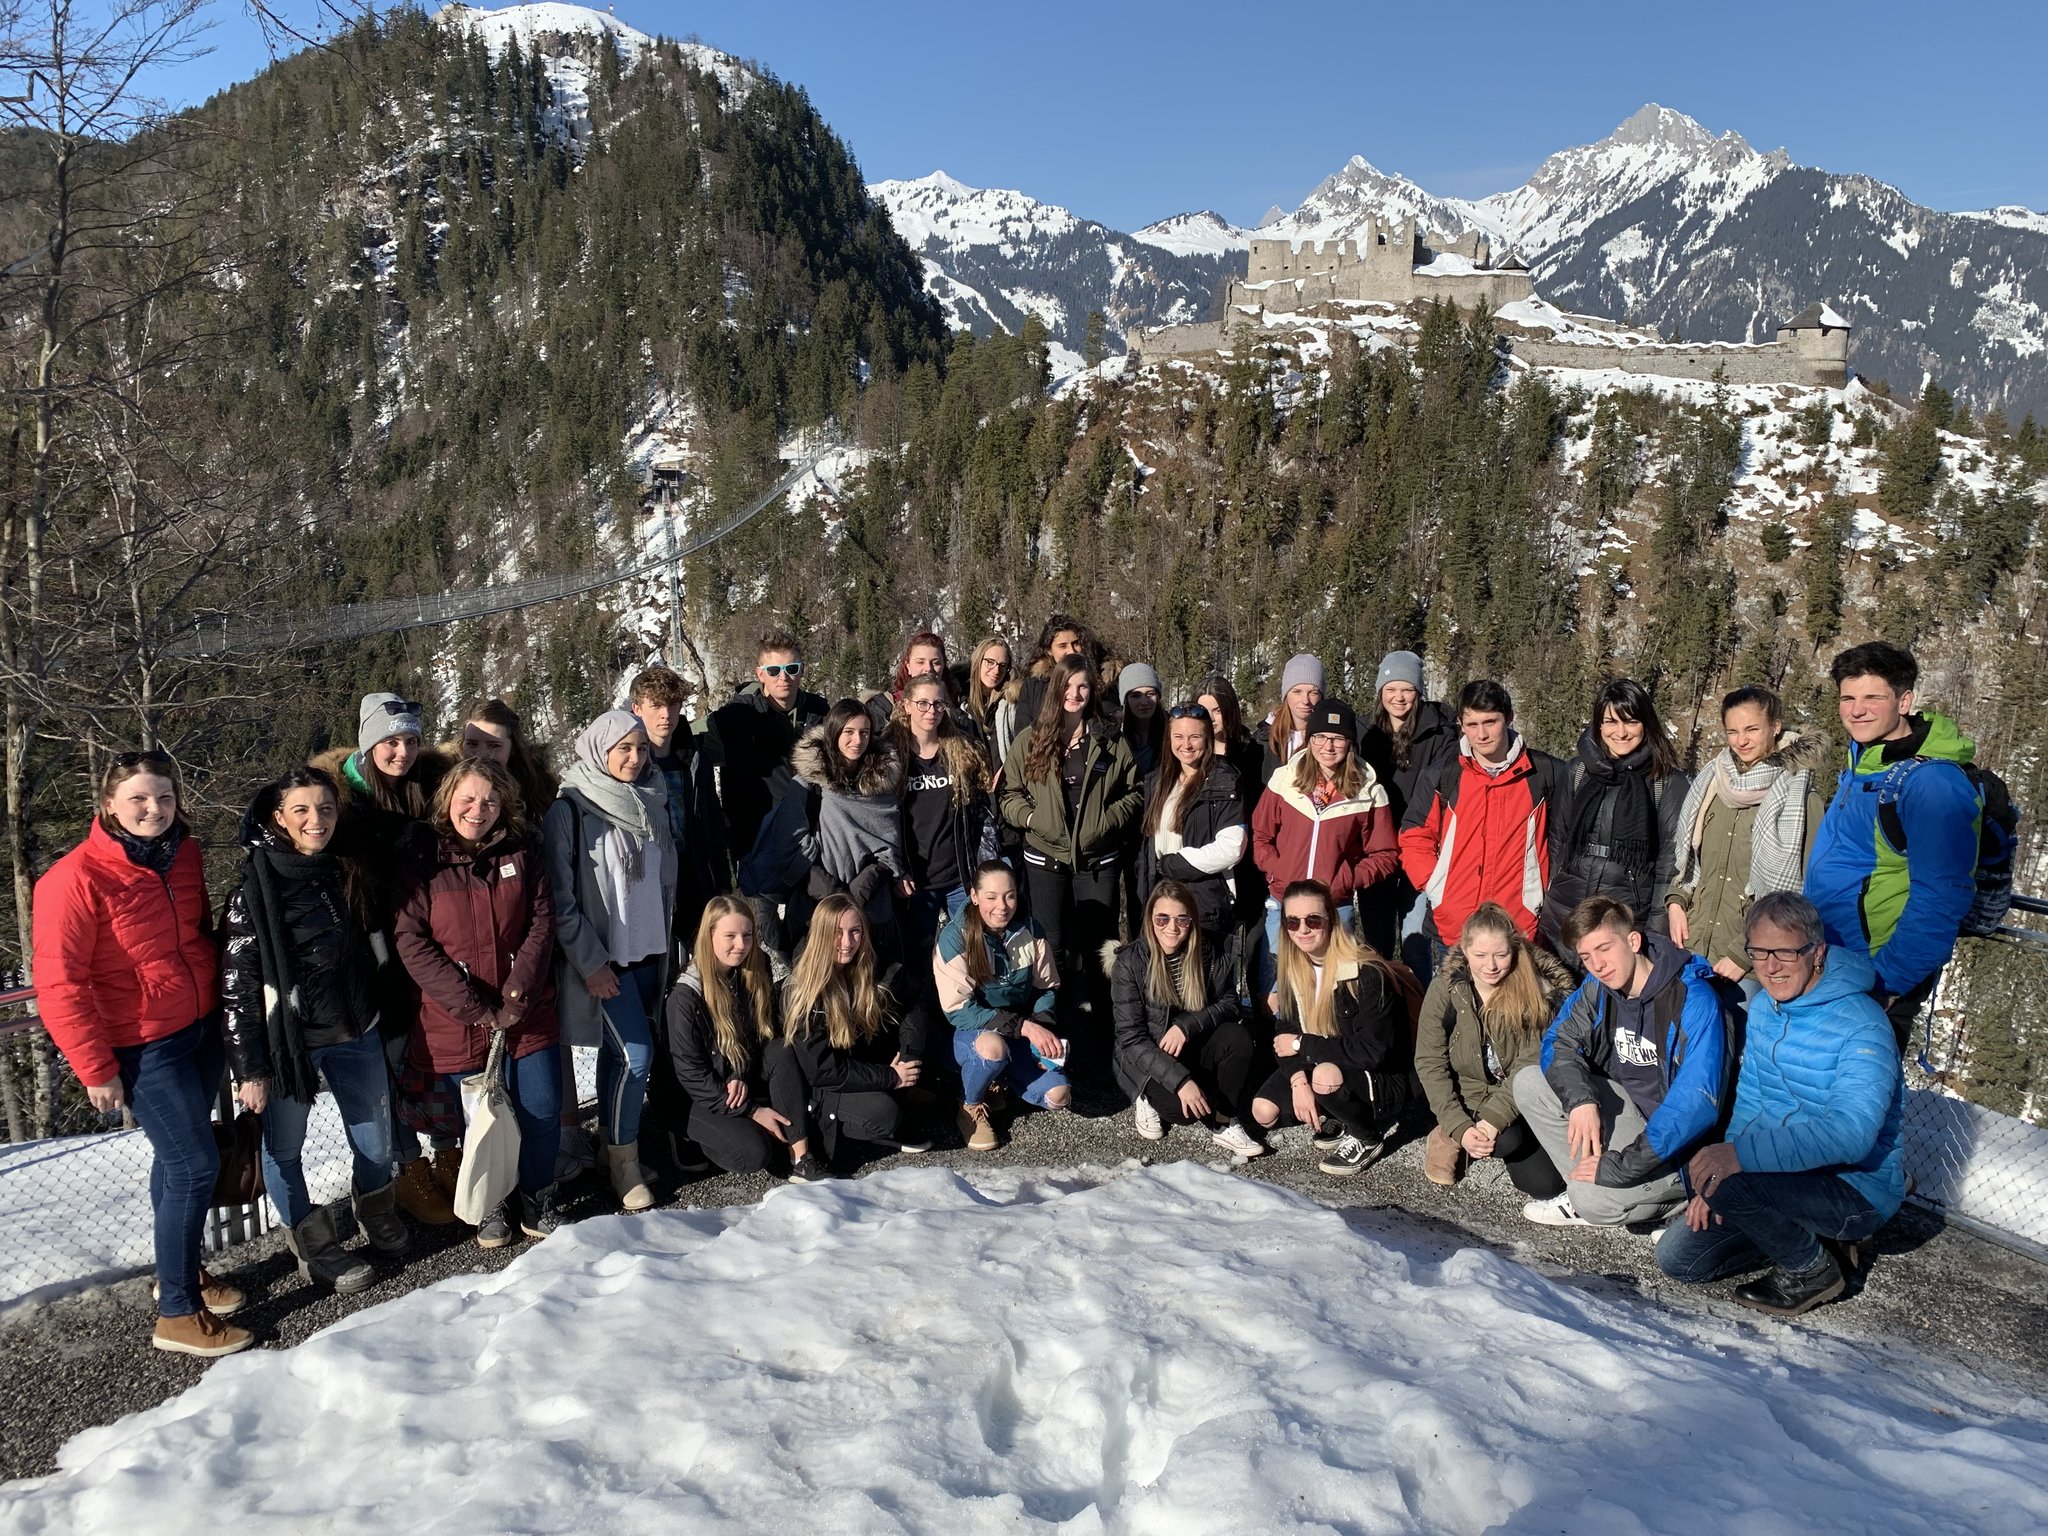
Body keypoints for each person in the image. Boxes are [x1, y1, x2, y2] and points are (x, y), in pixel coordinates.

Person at [32, 751, 252, 1358]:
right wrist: (96, 1068)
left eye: (164, 797)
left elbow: (197, 931)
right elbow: (59, 984)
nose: (154, 809)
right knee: (194, 1166)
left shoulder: (183, 852)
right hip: (140, 1044)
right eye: (138, 799)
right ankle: (178, 1313)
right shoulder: (71, 881)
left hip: (199, 1026)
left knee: (177, 1161)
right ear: (109, 806)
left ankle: (178, 1275)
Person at [1655, 893, 1905, 1317]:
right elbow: (1752, 1100)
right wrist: (1719, 1175)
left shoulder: (1863, 1024)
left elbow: (1853, 1135)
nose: (1770, 967)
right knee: (1678, 1259)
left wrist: (1736, 1163)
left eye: (1785, 952)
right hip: (1780, 1176)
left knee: (1732, 1182)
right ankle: (1805, 1240)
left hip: (1852, 1187)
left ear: (1817, 952)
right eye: (1759, 953)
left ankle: (1813, 1271)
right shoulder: (1767, 1011)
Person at [220, 767, 406, 1294]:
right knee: (284, 1151)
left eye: (324, 808)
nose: (315, 820)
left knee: (376, 1142)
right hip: (291, 1048)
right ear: (278, 818)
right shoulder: (253, 891)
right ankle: (315, 1246)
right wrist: (249, 1067)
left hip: (358, 1031)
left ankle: (375, 1212)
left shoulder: (348, 868)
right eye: (300, 810)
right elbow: (238, 988)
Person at [392, 759, 565, 1249]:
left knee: (541, 1106)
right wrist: (473, 1006)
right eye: (467, 798)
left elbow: (541, 921)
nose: (477, 809)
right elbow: (411, 940)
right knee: (480, 1121)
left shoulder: (523, 848)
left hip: (525, 1010)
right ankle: (492, 1204)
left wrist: (517, 993)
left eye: (489, 801)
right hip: (457, 1017)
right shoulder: (422, 857)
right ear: (448, 798)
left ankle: (536, 1195)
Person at [1803, 641, 1984, 1052]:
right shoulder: (1867, 761)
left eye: (1872, 697)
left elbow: (1941, 898)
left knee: (1858, 1103)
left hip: (1874, 976)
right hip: (1832, 961)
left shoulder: (1931, 784)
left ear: (1904, 701)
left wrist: (1886, 986)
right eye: (1847, 697)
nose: (1856, 709)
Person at [1513, 897, 1734, 1228]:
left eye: (1604, 948)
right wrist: (1581, 1100)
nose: (1597, 965)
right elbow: (1559, 1041)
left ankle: (1671, 1203)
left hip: (1678, 1149)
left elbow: (1694, 1108)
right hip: (1632, 1117)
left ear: (1633, 941)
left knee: (1592, 1200)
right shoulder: (1599, 987)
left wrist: (1618, 1168)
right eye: (1586, 957)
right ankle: (1589, 1187)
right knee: (1529, 1082)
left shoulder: (1694, 1000)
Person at [543, 709, 677, 1214]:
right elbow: (560, 899)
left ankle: (609, 1149)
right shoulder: (571, 809)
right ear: (599, 749)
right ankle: (624, 1163)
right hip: (604, 962)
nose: (634, 758)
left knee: (619, 1058)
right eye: (623, 748)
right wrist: (589, 961)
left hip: (648, 953)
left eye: (640, 749)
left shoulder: (652, 801)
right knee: (637, 1056)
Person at [998, 655, 1143, 1046]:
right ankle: (1051, 1036)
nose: (1075, 694)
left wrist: (1105, 822)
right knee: (1051, 949)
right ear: (1055, 689)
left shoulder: (1110, 739)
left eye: (1083, 686)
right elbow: (1008, 794)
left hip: (1098, 861)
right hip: (1046, 858)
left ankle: (1111, 1037)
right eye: (1068, 685)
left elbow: (1134, 793)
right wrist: (1032, 820)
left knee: (1100, 951)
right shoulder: (1031, 739)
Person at [1249, 880, 1415, 1177]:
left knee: (1325, 1077)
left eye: (1313, 920)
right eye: (1292, 921)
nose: (1302, 929)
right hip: (1325, 1062)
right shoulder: (1294, 967)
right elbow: (1284, 1033)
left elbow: (1373, 1051)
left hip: (1379, 1075)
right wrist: (1298, 1082)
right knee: (1263, 1111)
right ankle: (1336, 1109)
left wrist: (1302, 1046)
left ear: (1331, 920)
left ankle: (1366, 1136)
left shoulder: (1365, 972)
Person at [1667, 686, 1825, 989]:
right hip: (1692, 947)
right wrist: (1676, 901)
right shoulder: (1713, 784)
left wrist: (1743, 953)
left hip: (1752, 965)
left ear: (1775, 727)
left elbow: (1802, 895)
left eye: (1752, 729)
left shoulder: (1801, 800)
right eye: (1733, 731)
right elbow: (1689, 865)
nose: (1741, 740)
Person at [1399, 679, 1567, 962]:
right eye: (1472, 724)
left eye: (1490, 722)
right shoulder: (1444, 775)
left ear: (1509, 719)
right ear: (1460, 724)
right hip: (1456, 926)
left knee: (1518, 1007)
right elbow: (1414, 835)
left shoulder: (1546, 774)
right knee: (1458, 1005)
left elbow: (1566, 841)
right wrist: (1438, 888)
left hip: (1519, 926)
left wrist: (1543, 897)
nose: (1482, 734)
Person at [1413, 902, 1574, 1195]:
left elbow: (1530, 1061)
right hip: (1467, 1094)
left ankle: (1479, 1133)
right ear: (1464, 948)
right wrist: (1458, 1125)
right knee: (1500, 1139)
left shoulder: (1533, 991)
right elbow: (1429, 1061)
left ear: (1514, 949)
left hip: (1518, 1096)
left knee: (1543, 1184)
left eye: (1501, 955)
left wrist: (1493, 1120)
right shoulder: (1444, 990)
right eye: (1480, 955)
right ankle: (1447, 1134)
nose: (1491, 966)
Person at [769, 896, 928, 1178]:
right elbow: (823, 1071)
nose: (847, 942)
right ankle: (824, 1132)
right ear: (820, 935)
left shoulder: (870, 962)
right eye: (836, 933)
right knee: (883, 1114)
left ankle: (892, 1100)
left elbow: (914, 999)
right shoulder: (802, 988)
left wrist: (909, 1055)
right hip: (819, 1083)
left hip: (857, 1065)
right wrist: (891, 1077)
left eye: (855, 931)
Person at [740, 697, 906, 967]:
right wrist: (835, 896)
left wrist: (858, 894)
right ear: (833, 732)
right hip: (814, 908)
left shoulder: (882, 786)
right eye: (848, 732)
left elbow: (889, 848)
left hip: (871, 909)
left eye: (864, 732)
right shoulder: (808, 784)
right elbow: (789, 847)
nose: (857, 740)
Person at [1251, 699, 1399, 987]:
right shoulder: (1284, 780)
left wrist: (1347, 879)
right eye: (1320, 737)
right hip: (1285, 902)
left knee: (1332, 991)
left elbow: (1385, 853)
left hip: (1334, 906)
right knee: (1276, 990)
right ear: (1310, 739)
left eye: (1337, 738)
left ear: (1350, 743)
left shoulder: (1368, 790)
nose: (1328, 746)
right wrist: (1277, 871)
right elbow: (1261, 835)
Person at [1111, 881, 1265, 1157]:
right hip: (1148, 1053)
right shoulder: (1130, 962)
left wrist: (1185, 1026)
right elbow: (1131, 1038)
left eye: (1182, 918)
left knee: (1238, 1037)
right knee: (1182, 1114)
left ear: (1191, 920)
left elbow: (1229, 1003)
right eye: (1162, 918)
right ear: (1150, 919)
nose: (1172, 927)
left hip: (1190, 1042)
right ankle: (1144, 1095)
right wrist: (1181, 1082)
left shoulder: (1207, 952)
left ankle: (1224, 1122)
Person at [891, 673, 995, 1072]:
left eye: (938, 704)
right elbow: (882, 823)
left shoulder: (961, 752)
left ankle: (975, 1045)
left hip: (959, 879)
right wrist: (895, 869)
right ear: (907, 706)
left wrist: (984, 871)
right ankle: (922, 1051)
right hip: (916, 882)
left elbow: (981, 814)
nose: (931, 712)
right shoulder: (892, 757)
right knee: (916, 968)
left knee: (969, 963)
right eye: (922, 704)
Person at [1541, 678, 1691, 952]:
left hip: (1624, 916)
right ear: (1598, 724)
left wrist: (1656, 932)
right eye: (1611, 722)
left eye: (1631, 722)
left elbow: (1670, 862)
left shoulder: (1665, 782)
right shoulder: (1577, 772)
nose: (1621, 732)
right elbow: (1558, 839)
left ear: (1646, 724)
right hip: (1564, 912)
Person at [934, 860, 1070, 1151]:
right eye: (991, 897)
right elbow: (959, 1010)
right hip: (973, 1032)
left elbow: (1046, 987)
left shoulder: (1031, 930)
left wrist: (1042, 1029)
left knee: (1059, 1095)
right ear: (974, 896)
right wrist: (1024, 1027)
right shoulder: (954, 938)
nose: (1002, 906)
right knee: (992, 1050)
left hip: (1020, 1032)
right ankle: (969, 1104)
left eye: (1009, 895)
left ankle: (1001, 1080)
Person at [665, 896, 791, 1175]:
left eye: (747, 935)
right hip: (693, 1094)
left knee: (782, 1051)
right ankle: (688, 1134)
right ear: (709, 935)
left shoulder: (753, 971)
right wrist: (750, 1111)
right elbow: (689, 1072)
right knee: (752, 1154)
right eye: (730, 936)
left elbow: (760, 1034)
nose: (741, 945)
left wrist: (738, 1073)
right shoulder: (685, 997)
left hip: (735, 1080)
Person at [1358, 650, 1459, 982]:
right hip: (1377, 849)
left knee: (1415, 942)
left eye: (1407, 689)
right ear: (1380, 692)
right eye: (1390, 689)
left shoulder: (1440, 735)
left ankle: (1421, 1018)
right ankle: (1383, 1015)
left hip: (1420, 849)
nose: (1398, 697)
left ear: (1418, 692)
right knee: (1377, 944)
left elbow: (1443, 790)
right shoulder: (1367, 735)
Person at [707, 629, 830, 865]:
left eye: (791, 669)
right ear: (760, 675)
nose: (783, 678)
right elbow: (686, 746)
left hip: (812, 844)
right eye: (774, 671)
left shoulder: (822, 714)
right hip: (757, 846)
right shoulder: (734, 718)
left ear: (802, 671)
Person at [1134, 702, 1247, 945]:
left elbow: (1232, 847)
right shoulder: (1159, 781)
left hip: (1203, 902)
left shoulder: (1224, 780)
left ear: (1207, 738)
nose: (1186, 745)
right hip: (1161, 898)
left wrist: (1176, 864)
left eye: (1195, 736)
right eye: (1179, 736)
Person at [631, 665, 729, 945]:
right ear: (637, 708)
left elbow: (712, 821)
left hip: (695, 876)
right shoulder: (629, 762)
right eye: (657, 706)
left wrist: (722, 883)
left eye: (673, 705)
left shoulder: (694, 758)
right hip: (650, 881)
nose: (666, 715)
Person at [450, 696, 558, 824]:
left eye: (493, 746)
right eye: (472, 744)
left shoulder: (540, 793)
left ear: (513, 748)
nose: (481, 754)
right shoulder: (445, 786)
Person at [1008, 612, 1096, 729]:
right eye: (1062, 646)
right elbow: (1023, 732)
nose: (1071, 651)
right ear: (1049, 650)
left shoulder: (1096, 679)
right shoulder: (1035, 685)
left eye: (1076, 643)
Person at [866, 630, 955, 736]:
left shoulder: (960, 705)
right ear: (908, 666)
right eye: (920, 662)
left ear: (944, 666)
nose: (928, 669)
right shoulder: (883, 707)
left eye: (936, 663)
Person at [1260, 652, 1327, 783]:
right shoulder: (1262, 739)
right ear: (1286, 695)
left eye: (1313, 692)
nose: (1305, 700)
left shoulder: (1329, 741)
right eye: (1297, 691)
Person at [965, 635, 1015, 768]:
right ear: (978, 661)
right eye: (990, 662)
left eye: (1002, 665)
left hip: (1004, 785)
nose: (996, 670)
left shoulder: (1011, 704)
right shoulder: (959, 703)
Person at [1117, 662, 1165, 780]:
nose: (1144, 702)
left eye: (1150, 694)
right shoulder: (1114, 737)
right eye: (1135, 696)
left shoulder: (1171, 733)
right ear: (1125, 700)